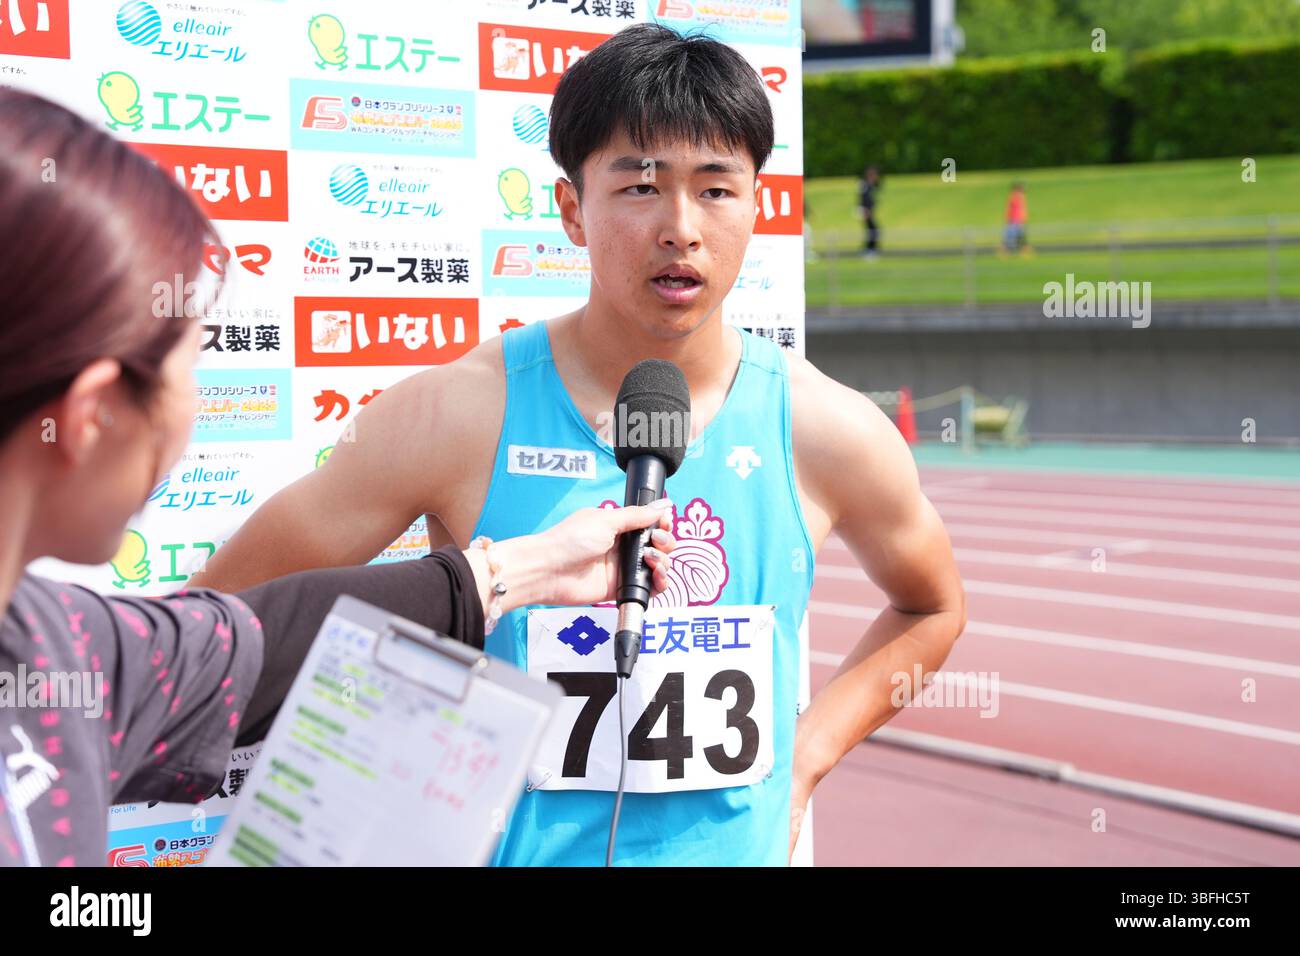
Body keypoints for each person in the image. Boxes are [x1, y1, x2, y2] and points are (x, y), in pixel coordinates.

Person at [193, 23, 966, 866]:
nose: (681, 228)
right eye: (640, 188)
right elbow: (208, 626)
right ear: (571, 209)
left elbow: (931, 606)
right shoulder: (460, 414)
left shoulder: (825, 426)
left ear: (757, 204)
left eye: (715, 189)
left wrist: (806, 759)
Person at [0, 87, 678, 867]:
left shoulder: (60, 646)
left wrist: (514, 569)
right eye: (193, 370)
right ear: (92, 417)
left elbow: (248, 646)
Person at [857, 164, 881, 258]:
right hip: (865, 210)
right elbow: (863, 198)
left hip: (868, 210)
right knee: (872, 229)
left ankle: (870, 249)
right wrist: (866, 210)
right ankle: (870, 250)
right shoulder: (864, 184)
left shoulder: (870, 185)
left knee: (872, 229)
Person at [1002, 181, 1029, 255]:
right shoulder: (1015, 196)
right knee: (1012, 236)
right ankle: (1006, 251)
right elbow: (1011, 209)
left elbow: (1022, 209)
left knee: (1020, 236)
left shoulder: (1019, 196)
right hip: (1014, 220)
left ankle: (1022, 250)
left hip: (1018, 220)